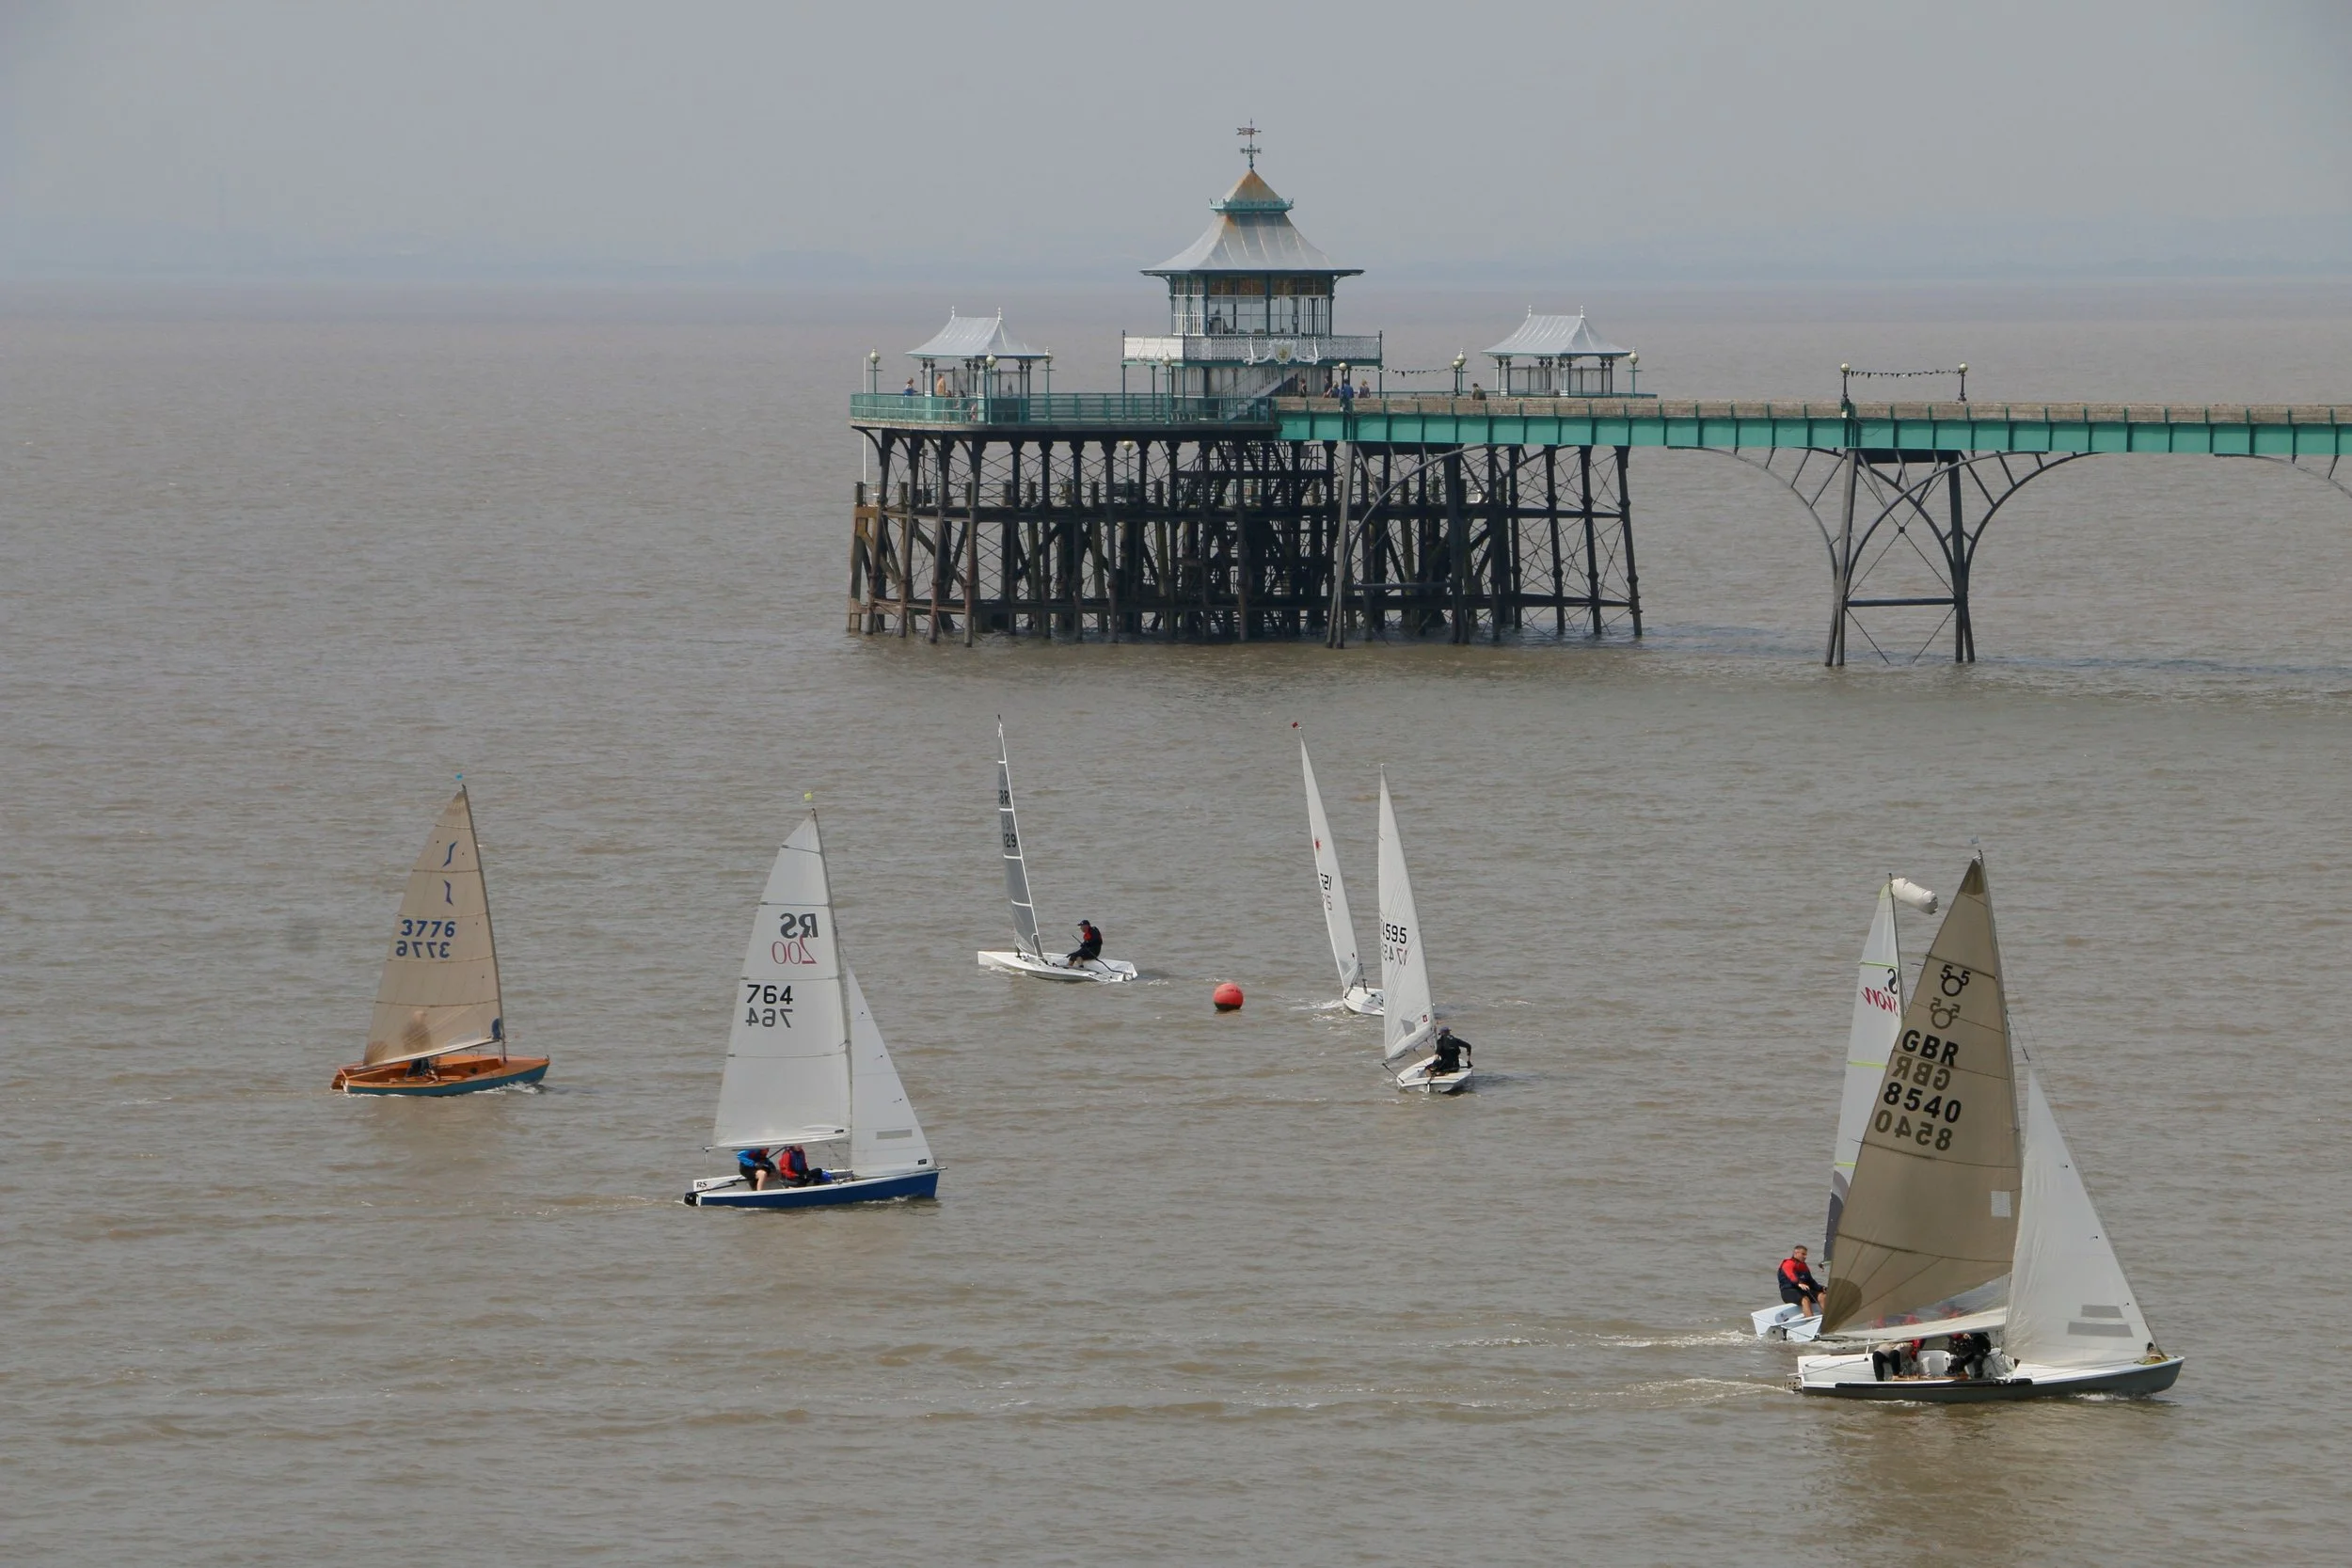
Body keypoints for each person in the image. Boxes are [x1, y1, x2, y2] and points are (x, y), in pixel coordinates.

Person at [1777, 1244, 1825, 1319]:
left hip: (1802, 1291)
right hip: (1788, 1292)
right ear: (1795, 1253)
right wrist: (1798, 1283)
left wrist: (1822, 1288)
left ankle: (1827, 1319)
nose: (1805, 1256)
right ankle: (1810, 1322)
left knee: (1822, 1296)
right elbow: (1791, 1275)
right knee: (1805, 1300)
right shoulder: (1788, 1263)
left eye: (1806, 1255)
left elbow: (1811, 1282)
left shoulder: (1804, 1266)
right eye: (1803, 1254)